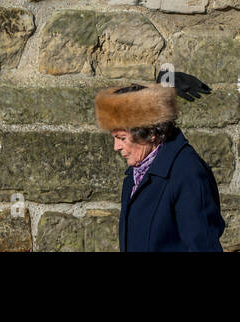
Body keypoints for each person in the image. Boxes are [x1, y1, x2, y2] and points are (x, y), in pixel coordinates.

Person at [95, 83, 224, 251]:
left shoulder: (187, 174)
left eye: (122, 138)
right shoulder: (138, 171)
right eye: (114, 137)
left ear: (150, 133)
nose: (116, 147)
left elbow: (203, 246)